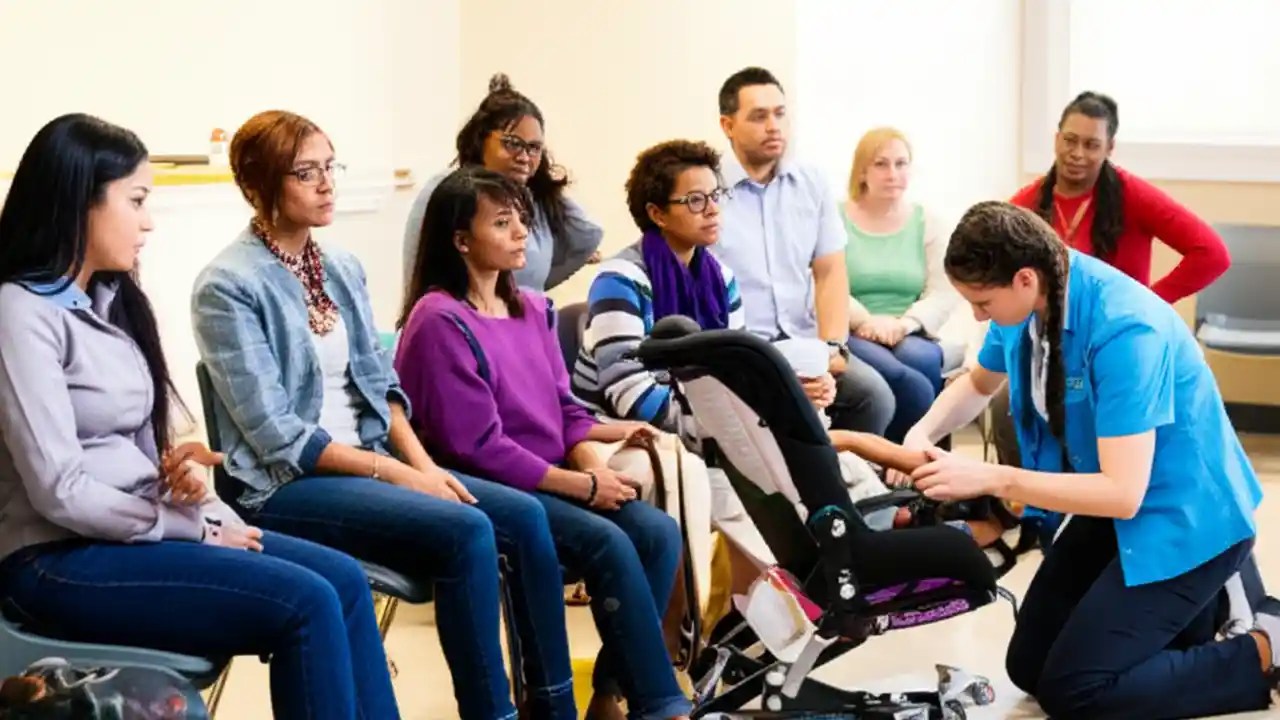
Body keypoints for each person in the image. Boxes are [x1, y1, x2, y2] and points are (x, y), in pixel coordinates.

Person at [0, 113, 398, 720]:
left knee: (342, 579)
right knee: (308, 602)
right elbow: (60, 491)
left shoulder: (110, 304)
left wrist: (197, 499)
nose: (149, 220)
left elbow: (141, 462)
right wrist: (197, 530)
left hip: (129, 537)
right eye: (135, 201)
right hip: (55, 559)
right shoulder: (19, 313)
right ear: (80, 201)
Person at [191, 111, 564, 720]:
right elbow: (276, 435)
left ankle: (552, 707)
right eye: (304, 172)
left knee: (521, 514)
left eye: (329, 167)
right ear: (258, 186)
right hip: (284, 486)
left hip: (372, 463)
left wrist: (423, 467)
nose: (326, 184)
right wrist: (399, 477)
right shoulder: (228, 286)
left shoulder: (340, 267)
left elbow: (379, 383)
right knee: (467, 529)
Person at [900, 200, 1275, 719]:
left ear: (1024, 278)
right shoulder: (1031, 301)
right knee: (1029, 667)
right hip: (1115, 508)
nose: (978, 316)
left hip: (1188, 521)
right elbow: (980, 384)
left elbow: (1124, 494)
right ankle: (1192, 622)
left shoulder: (1125, 329)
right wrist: (919, 434)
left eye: (982, 303)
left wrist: (993, 476)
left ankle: (1262, 647)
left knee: (1076, 692)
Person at [395, 166, 693, 720]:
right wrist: (581, 485)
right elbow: (477, 447)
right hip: (485, 485)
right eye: (502, 223)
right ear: (461, 241)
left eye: (522, 221)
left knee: (656, 532)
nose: (520, 235)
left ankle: (611, 691)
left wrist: (591, 466)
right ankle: (661, 706)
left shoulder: (534, 307)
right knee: (607, 543)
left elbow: (565, 409)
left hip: (551, 475)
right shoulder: (439, 319)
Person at [993, 91, 1232, 476]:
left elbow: (1212, 253)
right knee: (1007, 400)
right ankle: (1031, 511)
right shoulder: (1027, 202)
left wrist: (1151, 301)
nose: (1077, 153)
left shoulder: (1132, 194)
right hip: (1055, 347)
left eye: (1092, 144)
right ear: (1056, 139)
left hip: (1119, 345)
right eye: (1070, 140)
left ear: (1110, 148)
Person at [711, 66, 894, 435]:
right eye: (759, 116)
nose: (774, 126)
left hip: (805, 340)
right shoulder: (708, 190)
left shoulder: (811, 182)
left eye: (780, 114)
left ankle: (847, 486)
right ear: (728, 125)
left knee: (875, 396)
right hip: (742, 351)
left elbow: (830, 271)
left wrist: (832, 348)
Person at [403, 73, 602, 293]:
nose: (524, 157)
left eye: (534, 148)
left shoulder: (528, 196)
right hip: (456, 321)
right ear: (481, 139)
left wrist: (544, 181)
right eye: (512, 144)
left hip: (519, 320)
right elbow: (420, 277)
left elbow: (588, 233)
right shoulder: (447, 191)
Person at [842, 127, 959, 443]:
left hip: (909, 328)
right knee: (915, 385)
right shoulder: (834, 220)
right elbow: (825, 284)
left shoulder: (928, 222)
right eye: (881, 164)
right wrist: (867, 320)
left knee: (921, 360)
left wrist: (905, 323)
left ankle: (927, 473)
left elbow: (944, 291)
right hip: (851, 329)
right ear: (862, 171)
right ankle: (905, 463)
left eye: (901, 163)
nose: (892, 173)